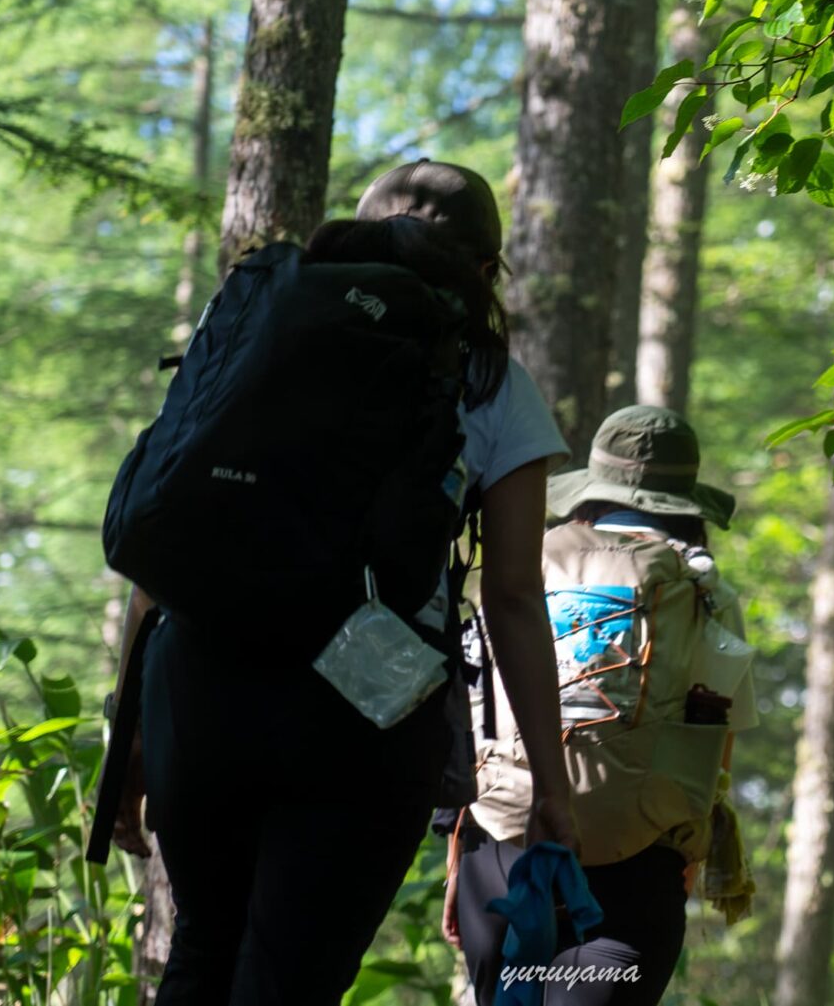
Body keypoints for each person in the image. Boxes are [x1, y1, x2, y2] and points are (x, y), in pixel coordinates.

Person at [109, 162, 580, 1006]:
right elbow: (512, 593)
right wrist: (551, 783)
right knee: (290, 980)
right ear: (483, 272)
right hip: (358, 709)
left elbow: (167, 525)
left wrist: (131, 730)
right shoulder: (490, 379)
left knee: (203, 950)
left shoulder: (252, 321)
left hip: (199, 680)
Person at [446, 405, 758, 1006]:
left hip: (503, 848)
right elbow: (717, 746)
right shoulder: (704, 592)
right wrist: (692, 846)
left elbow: (471, 707)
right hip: (635, 864)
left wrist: (460, 860)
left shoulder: (520, 566)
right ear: (684, 498)